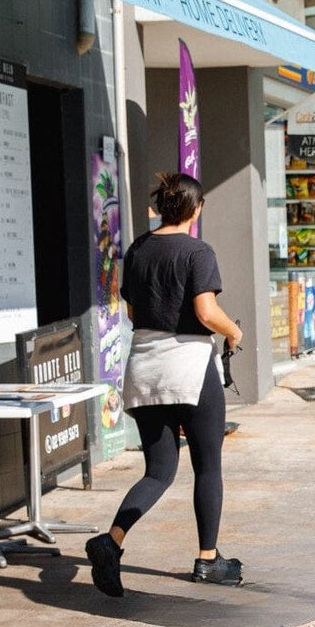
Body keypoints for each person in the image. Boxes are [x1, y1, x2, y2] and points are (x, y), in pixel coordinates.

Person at [85, 172, 243, 597]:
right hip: (189, 365)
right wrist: (232, 331)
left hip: (143, 365)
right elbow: (206, 312)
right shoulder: (197, 251)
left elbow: (133, 311)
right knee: (208, 465)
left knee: (158, 471)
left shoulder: (137, 249)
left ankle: (110, 541)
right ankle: (208, 561)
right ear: (195, 208)